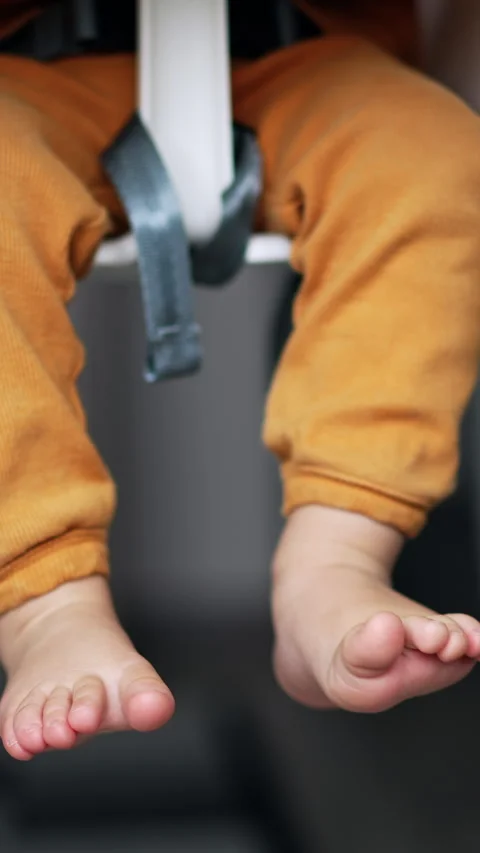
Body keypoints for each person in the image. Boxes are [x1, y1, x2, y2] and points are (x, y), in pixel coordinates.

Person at [1, 0, 480, 762]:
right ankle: (42, 603)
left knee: (433, 152)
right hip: (29, 65)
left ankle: (337, 559)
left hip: (313, 53)